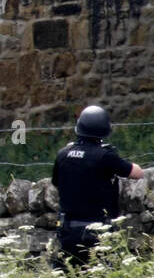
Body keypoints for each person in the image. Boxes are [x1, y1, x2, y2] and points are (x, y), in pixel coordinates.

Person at [50, 105, 144, 268]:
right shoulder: (105, 156)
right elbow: (136, 173)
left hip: (68, 232)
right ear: (104, 131)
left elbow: (56, 183)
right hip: (98, 232)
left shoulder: (63, 154)